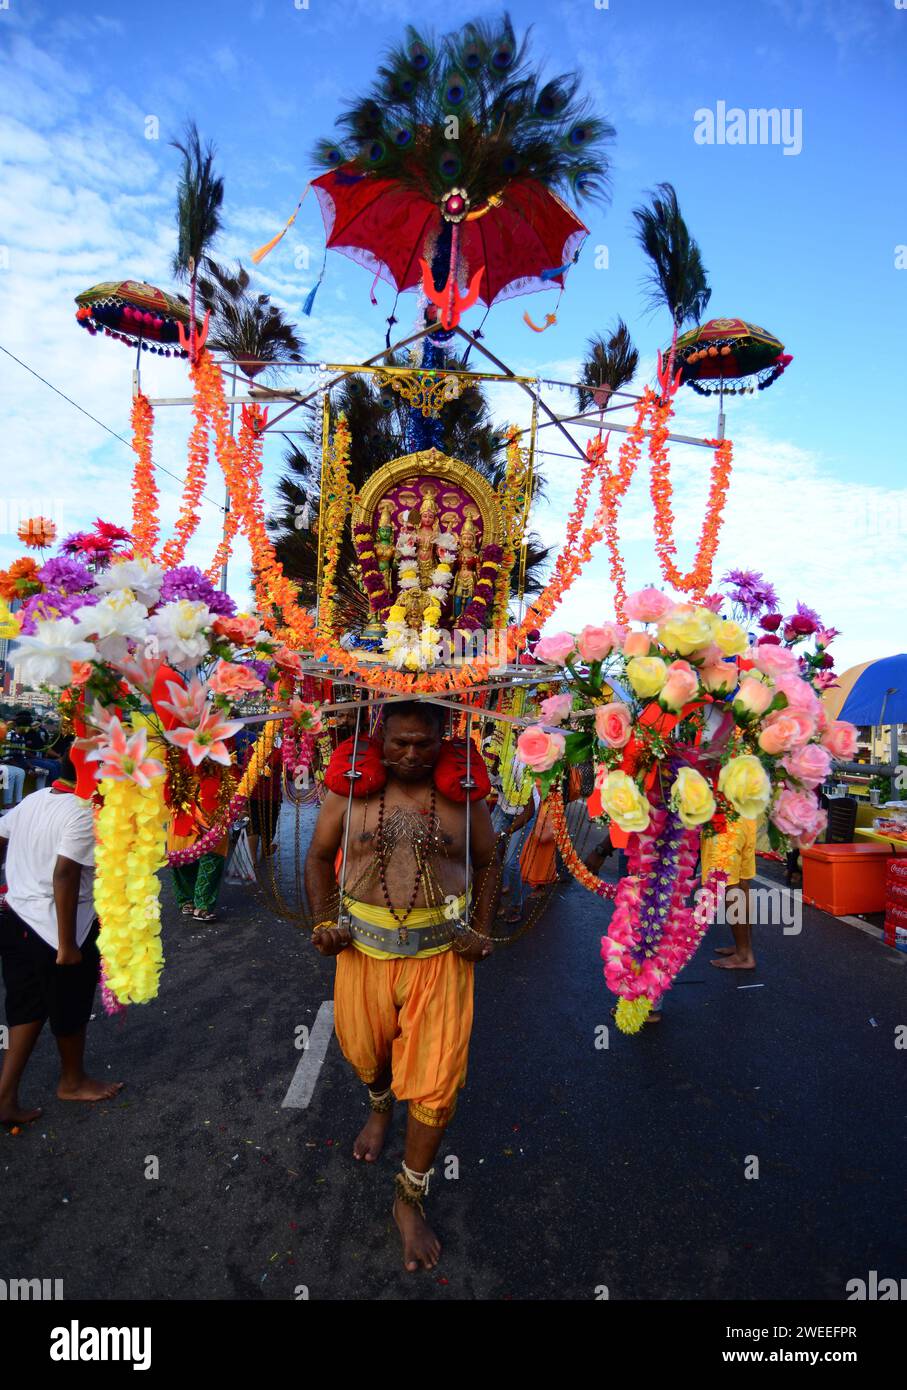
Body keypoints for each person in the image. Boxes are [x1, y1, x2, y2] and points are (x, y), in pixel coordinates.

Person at [304, 700, 499, 1273]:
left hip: (441, 958)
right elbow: (318, 857)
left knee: (437, 1084)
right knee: (365, 1053)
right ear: (379, 739)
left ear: (444, 738)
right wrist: (322, 922)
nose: (410, 754)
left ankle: (409, 1197)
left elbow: (487, 863)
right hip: (362, 953)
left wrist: (481, 932)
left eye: (423, 743)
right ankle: (379, 1103)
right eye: (399, 744)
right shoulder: (351, 789)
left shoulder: (465, 795)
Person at [0, 746, 123, 1124]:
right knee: (69, 1008)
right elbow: (65, 874)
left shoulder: (36, 798)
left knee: (27, 1007)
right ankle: (72, 1081)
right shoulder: (83, 812)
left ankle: (4, 1098)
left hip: (16, 919)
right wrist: (68, 946)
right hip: (58, 931)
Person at [703, 816, 757, 970]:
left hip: (725, 819)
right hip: (746, 819)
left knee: (729, 885)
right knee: (742, 883)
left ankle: (744, 955)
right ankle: (744, 946)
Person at [1, 713, 30, 809]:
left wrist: (29, 767)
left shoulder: (21, 737)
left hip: (12, 763)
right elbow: (7, 757)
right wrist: (22, 766)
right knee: (9, 772)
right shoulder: (9, 736)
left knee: (21, 772)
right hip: (4, 762)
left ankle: (18, 801)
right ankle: (7, 802)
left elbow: (21, 756)